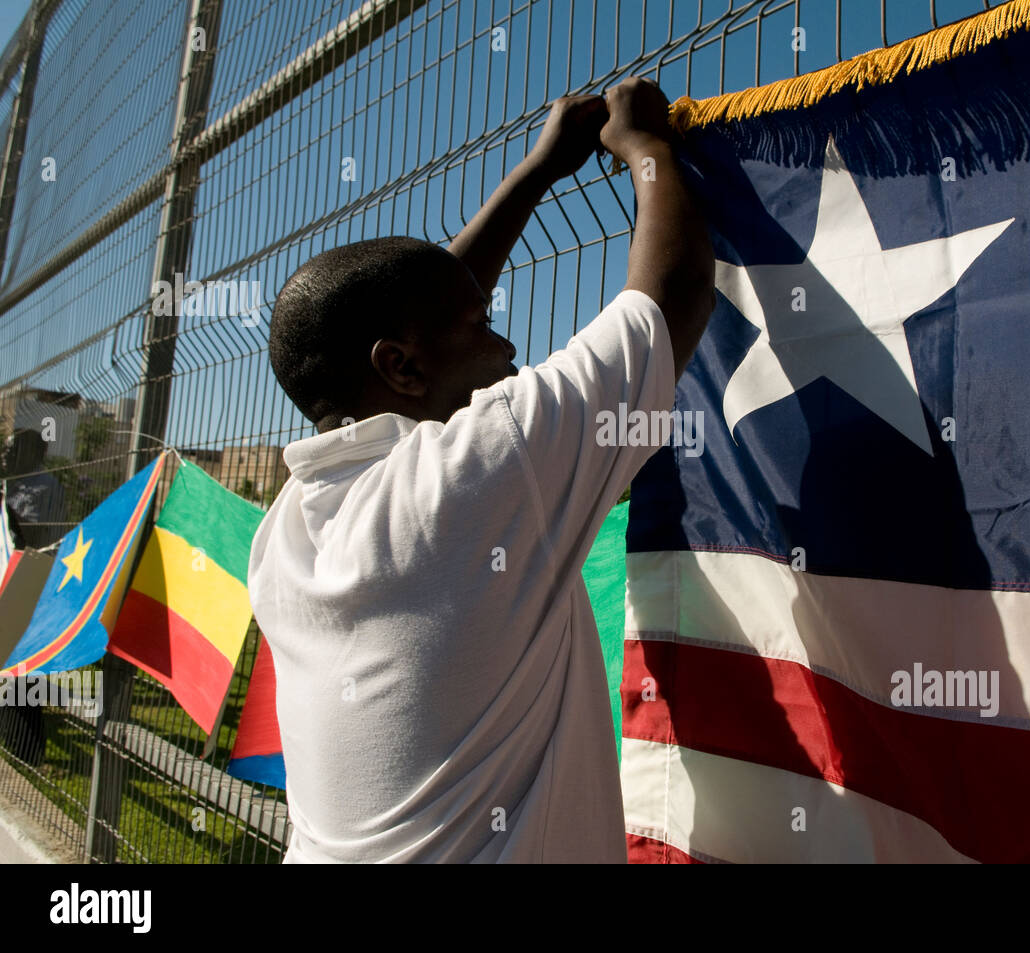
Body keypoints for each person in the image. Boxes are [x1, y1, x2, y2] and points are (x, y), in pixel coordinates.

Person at [247, 77, 714, 862]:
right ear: (398, 367)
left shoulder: (288, 530)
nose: (506, 347)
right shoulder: (476, 472)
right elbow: (675, 296)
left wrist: (539, 170)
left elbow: (414, 314)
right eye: (483, 325)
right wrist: (645, 147)